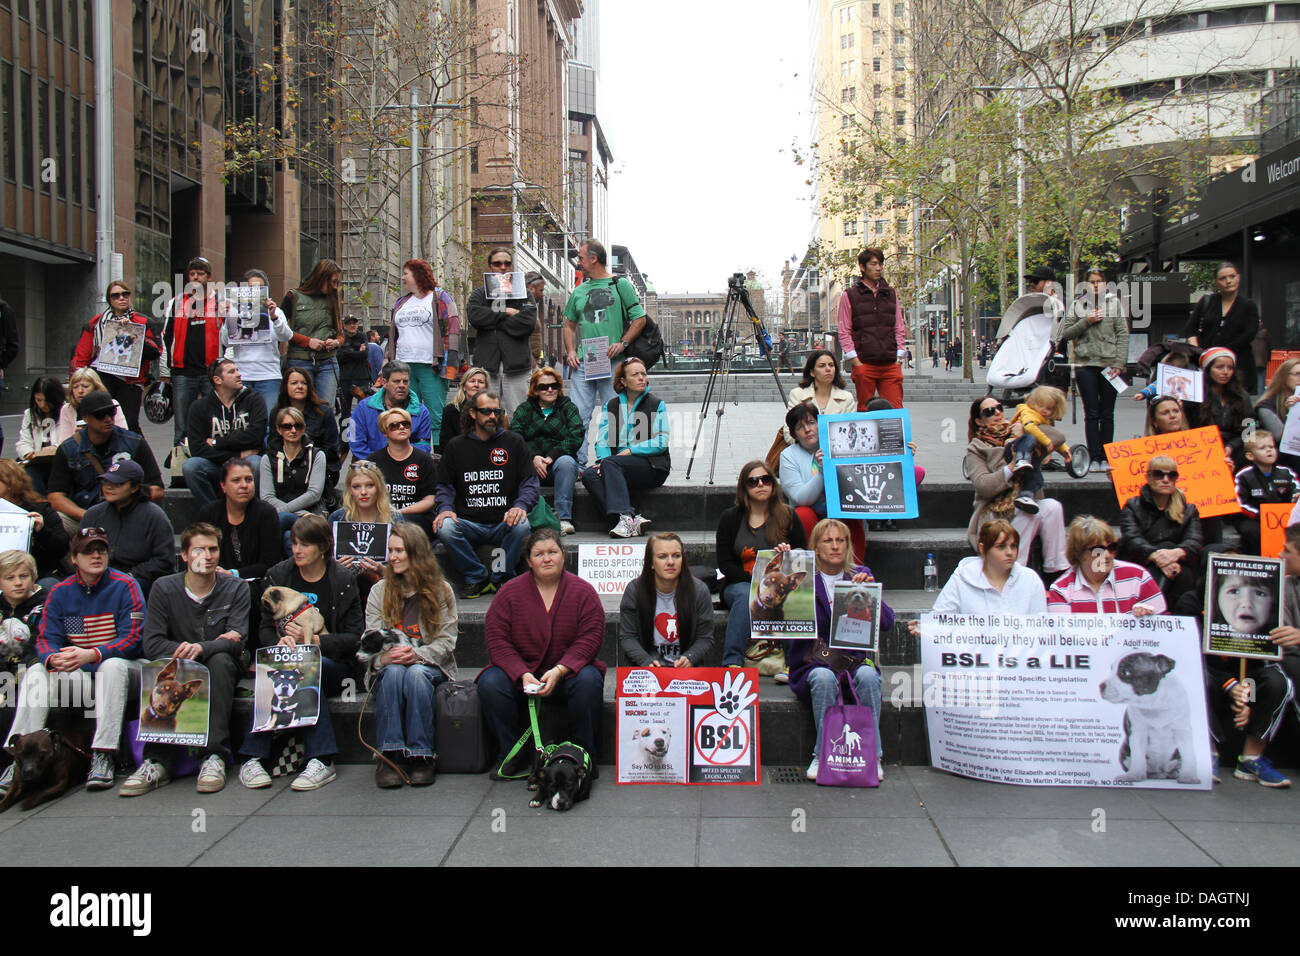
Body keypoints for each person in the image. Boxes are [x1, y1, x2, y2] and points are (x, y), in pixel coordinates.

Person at [0, 528, 142, 796]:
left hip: (126, 672)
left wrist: (93, 654)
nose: (96, 555)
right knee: (37, 671)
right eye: (88, 551)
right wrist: (52, 657)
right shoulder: (61, 592)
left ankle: (103, 753)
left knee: (112, 666)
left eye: (101, 550)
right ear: (74, 558)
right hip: (81, 678)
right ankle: (18, 756)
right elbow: (45, 639)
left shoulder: (126, 585)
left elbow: (133, 639)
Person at [118, 523, 249, 797]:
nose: (208, 555)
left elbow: (237, 641)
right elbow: (152, 643)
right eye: (199, 549)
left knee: (221, 660)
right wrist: (187, 650)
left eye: (213, 549)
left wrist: (201, 647)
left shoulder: (236, 588)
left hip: (222, 663)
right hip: (177, 662)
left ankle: (214, 756)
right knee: (164, 668)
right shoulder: (163, 588)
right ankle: (157, 760)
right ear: (185, 555)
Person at [240, 514, 360, 792]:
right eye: (294, 543)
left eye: (305, 545)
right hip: (287, 657)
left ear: (323, 547)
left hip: (334, 665)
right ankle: (253, 760)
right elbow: (263, 628)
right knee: (285, 667)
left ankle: (320, 759)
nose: (297, 550)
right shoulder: (278, 575)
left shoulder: (342, 580)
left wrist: (318, 641)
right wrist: (278, 643)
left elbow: (354, 638)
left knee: (308, 668)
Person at [479, 528, 605, 765]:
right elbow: (497, 640)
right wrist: (522, 673)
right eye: (539, 554)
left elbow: (590, 637)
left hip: (566, 675)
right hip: (524, 675)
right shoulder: (509, 592)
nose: (547, 558)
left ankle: (582, 755)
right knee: (491, 682)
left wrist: (560, 670)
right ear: (528, 560)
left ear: (563, 555)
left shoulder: (583, 591)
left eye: (552, 552)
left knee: (589, 679)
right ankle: (512, 753)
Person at [792, 518, 892, 781]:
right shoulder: (804, 581)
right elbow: (780, 621)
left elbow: (888, 623)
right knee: (823, 677)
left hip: (854, 663)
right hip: (814, 663)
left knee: (869, 677)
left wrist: (867, 592)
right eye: (828, 540)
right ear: (815, 546)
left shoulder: (860, 573)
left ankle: (873, 755)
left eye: (841, 540)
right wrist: (779, 567)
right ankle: (822, 754)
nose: (835, 546)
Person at [360, 524, 458, 787]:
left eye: (399, 551)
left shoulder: (441, 590)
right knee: (392, 672)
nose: (392, 557)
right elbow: (370, 641)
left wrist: (417, 655)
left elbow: (447, 641)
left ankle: (421, 755)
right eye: (390, 551)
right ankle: (389, 755)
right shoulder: (379, 591)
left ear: (416, 553)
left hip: (431, 665)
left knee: (415, 674)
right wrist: (384, 658)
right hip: (388, 665)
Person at [434, 390, 536, 598]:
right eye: (486, 411)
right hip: (468, 522)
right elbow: (444, 485)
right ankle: (477, 576)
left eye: (496, 411)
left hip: (504, 521)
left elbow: (530, 482)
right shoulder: (456, 446)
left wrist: (521, 505)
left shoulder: (514, 442)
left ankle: (500, 576)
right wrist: (445, 508)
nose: (492, 416)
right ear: (472, 413)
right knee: (444, 527)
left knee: (522, 525)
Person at [563, 239, 648, 468]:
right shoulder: (579, 291)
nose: (578, 262)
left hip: (614, 362)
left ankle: (611, 462)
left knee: (615, 414)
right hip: (584, 361)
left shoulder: (620, 285)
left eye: (581, 257)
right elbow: (569, 325)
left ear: (594, 258)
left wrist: (622, 343)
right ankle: (578, 464)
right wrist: (571, 351)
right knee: (578, 414)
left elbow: (639, 319)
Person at [964, 396, 1069, 577]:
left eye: (999, 408)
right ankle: (1013, 571)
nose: (997, 413)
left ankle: (1057, 570)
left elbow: (1059, 437)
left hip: (1025, 500)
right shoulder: (977, 447)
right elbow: (983, 486)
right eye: (989, 412)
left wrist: (1027, 430)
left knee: (1052, 506)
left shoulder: (1022, 436)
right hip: (994, 510)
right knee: (1027, 511)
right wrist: (1011, 466)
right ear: (979, 421)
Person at [717, 460, 807, 669]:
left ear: (773, 485)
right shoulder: (730, 518)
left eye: (766, 480)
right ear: (744, 488)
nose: (760, 485)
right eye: (753, 481)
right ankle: (732, 663)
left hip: (777, 584)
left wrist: (790, 554)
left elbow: (803, 553)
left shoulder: (788, 515)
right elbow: (725, 564)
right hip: (739, 582)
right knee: (745, 596)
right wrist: (755, 582)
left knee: (793, 602)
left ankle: (793, 664)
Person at [46, 390, 165, 536]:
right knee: (51, 522)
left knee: (155, 516)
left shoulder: (135, 442)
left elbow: (157, 489)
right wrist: (88, 516)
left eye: (111, 413)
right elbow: (55, 497)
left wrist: (130, 495)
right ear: (85, 418)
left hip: (128, 515)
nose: (108, 419)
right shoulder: (67, 449)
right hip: (84, 517)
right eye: (100, 415)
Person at [581, 357, 669, 538]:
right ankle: (629, 519)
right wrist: (603, 462)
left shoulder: (656, 404)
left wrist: (632, 450)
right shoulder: (611, 406)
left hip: (651, 466)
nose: (641, 378)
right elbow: (602, 440)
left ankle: (625, 518)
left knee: (612, 463)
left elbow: (661, 441)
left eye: (643, 374)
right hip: (616, 466)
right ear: (623, 381)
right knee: (590, 474)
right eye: (635, 374)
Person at [1057, 269, 1128, 472]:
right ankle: (1093, 456)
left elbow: (1123, 334)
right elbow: (1066, 334)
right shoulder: (1078, 305)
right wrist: (1086, 321)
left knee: (1107, 413)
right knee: (1092, 413)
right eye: (1092, 282)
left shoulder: (1114, 304)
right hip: (1085, 364)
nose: (1096, 285)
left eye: (1099, 282)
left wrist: (1119, 363)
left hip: (1109, 365)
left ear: (1106, 284)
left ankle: (1106, 456)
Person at [914, 521, 1048, 626]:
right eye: (1001, 546)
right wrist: (925, 628)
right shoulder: (962, 577)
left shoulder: (1030, 579)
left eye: (1013, 546)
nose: (1009, 552)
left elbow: (1041, 627)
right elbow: (940, 618)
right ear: (983, 549)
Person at [779, 402, 867, 561]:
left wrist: (902, 452)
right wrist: (822, 471)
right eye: (800, 427)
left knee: (851, 511)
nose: (807, 429)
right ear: (794, 434)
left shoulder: (841, 444)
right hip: (811, 516)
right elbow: (800, 498)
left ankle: (854, 572)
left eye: (811, 423)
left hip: (841, 512)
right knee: (803, 513)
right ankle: (814, 572)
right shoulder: (788, 456)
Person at [386, 258, 463, 439]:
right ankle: (406, 457)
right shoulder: (401, 302)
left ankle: (435, 457)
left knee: (434, 417)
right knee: (403, 415)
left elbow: (453, 332)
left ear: (418, 275)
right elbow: (393, 336)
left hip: (431, 367)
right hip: (402, 368)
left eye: (406, 273)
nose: (402, 278)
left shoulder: (440, 298)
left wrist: (450, 368)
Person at [70, 279, 160, 432]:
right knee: (98, 419)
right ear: (109, 300)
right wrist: (77, 379)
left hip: (130, 380)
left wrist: (131, 331)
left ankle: (136, 454)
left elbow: (155, 352)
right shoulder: (96, 323)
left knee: (129, 424)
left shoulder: (143, 321)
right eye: (115, 296)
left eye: (125, 294)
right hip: (102, 375)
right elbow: (82, 355)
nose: (121, 298)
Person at [1119, 454, 1204, 613]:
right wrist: (1158, 557)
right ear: (1149, 477)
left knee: (1181, 569)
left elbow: (1194, 540)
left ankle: (1172, 616)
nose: (1166, 479)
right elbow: (1132, 538)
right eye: (1159, 474)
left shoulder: (1189, 509)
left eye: (1171, 475)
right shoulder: (1132, 505)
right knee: (1169, 553)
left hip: (1178, 563)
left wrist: (1176, 553)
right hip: (1142, 561)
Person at [80, 460, 176, 599]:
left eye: (117, 484)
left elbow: (164, 560)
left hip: (140, 580)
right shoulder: (93, 514)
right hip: (99, 575)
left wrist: (132, 574)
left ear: (134, 487)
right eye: (106, 482)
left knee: (129, 588)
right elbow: (80, 550)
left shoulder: (154, 516)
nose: (108, 487)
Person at [618, 532, 715, 668]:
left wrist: (690, 657)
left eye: (676, 556)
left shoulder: (699, 591)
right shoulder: (634, 590)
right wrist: (645, 661)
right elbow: (627, 637)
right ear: (651, 563)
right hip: (646, 668)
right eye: (662, 557)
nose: (670, 562)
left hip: (686, 670)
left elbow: (705, 638)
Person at [183, 358, 267, 507]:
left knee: (256, 462)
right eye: (232, 372)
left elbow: (256, 435)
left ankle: (250, 513)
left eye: (238, 370)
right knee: (191, 466)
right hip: (217, 465)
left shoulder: (254, 399)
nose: (239, 375)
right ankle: (215, 514)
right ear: (217, 380)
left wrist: (217, 442)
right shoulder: (199, 407)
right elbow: (197, 448)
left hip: (246, 464)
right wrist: (237, 455)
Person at [510, 366, 583, 535]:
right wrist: (533, 457)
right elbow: (515, 437)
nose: (550, 389)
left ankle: (563, 519)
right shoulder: (524, 409)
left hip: (558, 466)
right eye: (543, 386)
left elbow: (576, 434)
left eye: (554, 385)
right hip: (530, 468)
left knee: (567, 462)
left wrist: (551, 456)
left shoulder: (567, 407)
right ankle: (531, 519)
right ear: (535, 390)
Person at [159, 256, 224, 448]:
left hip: (211, 372)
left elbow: (228, 337)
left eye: (200, 273)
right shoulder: (176, 302)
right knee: (182, 426)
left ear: (209, 276)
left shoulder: (220, 302)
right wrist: (164, 372)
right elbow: (166, 337)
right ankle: (180, 472)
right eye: (192, 273)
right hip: (182, 372)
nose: (196, 277)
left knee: (214, 422)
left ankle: (212, 462)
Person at [1046, 516, 1166, 614]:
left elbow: (1164, 623)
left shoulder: (1138, 577)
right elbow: (1062, 637)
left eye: (1112, 547)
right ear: (1079, 553)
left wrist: (1148, 617)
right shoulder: (1061, 590)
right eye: (1098, 550)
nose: (1107, 555)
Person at [468, 247, 538, 413]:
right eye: (497, 263)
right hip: (486, 368)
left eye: (507, 263)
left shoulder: (524, 295)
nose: (502, 267)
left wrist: (491, 322)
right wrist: (506, 312)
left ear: (512, 266)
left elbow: (527, 323)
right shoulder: (479, 294)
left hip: (517, 368)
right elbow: (474, 316)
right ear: (489, 267)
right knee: (485, 415)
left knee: (519, 417)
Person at [838, 247, 907, 410]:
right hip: (864, 364)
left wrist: (899, 356)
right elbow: (844, 330)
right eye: (874, 264)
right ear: (862, 267)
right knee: (865, 411)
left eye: (881, 264)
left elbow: (899, 326)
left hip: (890, 364)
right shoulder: (850, 295)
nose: (878, 268)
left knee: (895, 412)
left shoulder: (890, 293)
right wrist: (856, 361)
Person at [221, 268, 293, 422]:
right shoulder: (235, 312)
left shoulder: (276, 312)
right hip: (242, 375)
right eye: (250, 288)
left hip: (268, 375)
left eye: (258, 288)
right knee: (242, 422)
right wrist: (229, 319)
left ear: (265, 290)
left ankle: (265, 447)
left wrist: (274, 317)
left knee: (267, 421)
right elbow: (226, 341)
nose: (254, 291)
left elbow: (286, 336)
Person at [329, 459, 405, 603]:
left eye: (370, 486)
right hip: (344, 588)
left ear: (379, 487)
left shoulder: (395, 518)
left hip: (385, 588)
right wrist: (336, 567)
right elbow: (324, 562)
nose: (363, 492)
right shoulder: (338, 518)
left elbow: (408, 565)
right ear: (350, 490)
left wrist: (383, 571)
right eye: (356, 487)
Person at [1184, 261, 1259, 391]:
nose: (1228, 281)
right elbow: (1190, 330)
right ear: (1216, 282)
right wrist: (1199, 353)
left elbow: (1249, 334)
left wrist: (1221, 353)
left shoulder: (1248, 305)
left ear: (1238, 278)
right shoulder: (1207, 301)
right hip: (1207, 364)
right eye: (1223, 278)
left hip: (1239, 365)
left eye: (1232, 276)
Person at [261, 406, 327, 550]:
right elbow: (266, 497)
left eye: (298, 426)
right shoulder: (268, 458)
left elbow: (314, 494)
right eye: (287, 426)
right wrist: (298, 513)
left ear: (304, 428)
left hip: (312, 514)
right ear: (278, 429)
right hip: (295, 514)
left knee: (284, 527)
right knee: (285, 534)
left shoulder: (317, 455)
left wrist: (284, 512)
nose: (293, 430)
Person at [282, 259, 344, 408]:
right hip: (300, 361)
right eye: (333, 282)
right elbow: (280, 330)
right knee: (299, 409)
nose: (335, 286)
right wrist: (307, 341)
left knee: (325, 409)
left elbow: (341, 334)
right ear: (322, 278)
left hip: (328, 362)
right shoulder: (293, 296)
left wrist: (336, 342)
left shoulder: (333, 298)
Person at [369, 407, 438, 535]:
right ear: (385, 432)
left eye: (405, 424)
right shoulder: (374, 460)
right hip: (382, 517)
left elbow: (430, 499)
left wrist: (399, 513)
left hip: (416, 518)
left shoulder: (424, 460)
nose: (401, 427)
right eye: (394, 425)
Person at [347, 359, 432, 462]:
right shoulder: (363, 408)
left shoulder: (422, 412)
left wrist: (398, 461)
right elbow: (355, 442)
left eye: (405, 381)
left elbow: (424, 445)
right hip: (370, 467)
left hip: (408, 467)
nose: (402, 385)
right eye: (396, 381)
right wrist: (378, 464)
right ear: (384, 382)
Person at [0, 458, 69, 584]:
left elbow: (62, 548)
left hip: (36, 577)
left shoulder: (40, 510)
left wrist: (41, 531)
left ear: (11, 483)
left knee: (48, 584)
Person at [1005, 385, 1071, 512]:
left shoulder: (1043, 419)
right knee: (1030, 438)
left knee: (1037, 478)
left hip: (1032, 455)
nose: (1046, 411)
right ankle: (1021, 459)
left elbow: (1051, 436)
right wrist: (1047, 442)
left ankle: (1026, 496)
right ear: (1033, 403)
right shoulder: (1028, 412)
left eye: (1050, 409)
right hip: (1017, 447)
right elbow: (1030, 428)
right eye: (1042, 406)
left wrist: (1065, 450)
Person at [274, 368, 341, 489]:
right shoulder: (277, 413)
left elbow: (331, 450)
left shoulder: (324, 412)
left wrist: (304, 460)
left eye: (304, 383)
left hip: (318, 468)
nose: (299, 386)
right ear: (285, 386)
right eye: (294, 383)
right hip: (285, 467)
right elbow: (273, 446)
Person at [1235, 432, 1299, 555]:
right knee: (1250, 530)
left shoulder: (1286, 472)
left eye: (1272, 447)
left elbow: (1296, 491)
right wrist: (1260, 515)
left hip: (1283, 517)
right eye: (1262, 448)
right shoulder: (1243, 475)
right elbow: (1240, 504)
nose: (1269, 450)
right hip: (1255, 518)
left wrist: (1296, 496)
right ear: (1250, 456)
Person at [781, 349, 856, 444]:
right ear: (812, 372)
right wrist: (810, 447)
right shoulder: (798, 394)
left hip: (835, 453)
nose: (828, 369)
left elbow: (851, 431)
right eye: (822, 366)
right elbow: (788, 431)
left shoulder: (847, 398)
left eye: (831, 365)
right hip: (804, 452)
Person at [0, 551, 46, 675]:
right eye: (10, 578)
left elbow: (38, 646)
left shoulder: (48, 604)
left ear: (33, 576)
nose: (18, 583)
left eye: (23, 576)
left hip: (33, 671)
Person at [55, 367, 129, 442]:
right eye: (75, 387)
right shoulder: (67, 409)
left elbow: (124, 436)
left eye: (85, 386)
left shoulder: (112, 404)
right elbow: (63, 443)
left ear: (96, 388)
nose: (80, 391)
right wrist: (76, 438)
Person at [16, 376, 64, 492]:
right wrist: (28, 452)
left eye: (47, 401)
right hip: (36, 462)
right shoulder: (30, 414)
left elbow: (69, 439)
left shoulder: (66, 411)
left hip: (59, 462)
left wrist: (55, 448)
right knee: (31, 474)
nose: (43, 405)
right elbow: (23, 441)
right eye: (38, 400)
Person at [1253, 357, 1300, 473]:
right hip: (1276, 453)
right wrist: (1292, 412)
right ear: (1284, 376)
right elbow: (1283, 438)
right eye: (1297, 374)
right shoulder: (1265, 405)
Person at [439, 365, 490, 451]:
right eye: (472, 381)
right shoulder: (451, 410)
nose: (476, 385)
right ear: (464, 386)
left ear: (486, 388)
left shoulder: (492, 411)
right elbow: (445, 443)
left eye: (481, 382)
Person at [337, 313, 372, 421]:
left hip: (362, 376)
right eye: (349, 324)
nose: (352, 326)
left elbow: (365, 354)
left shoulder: (362, 336)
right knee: (345, 411)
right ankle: (344, 436)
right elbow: (339, 356)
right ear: (344, 325)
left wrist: (348, 352)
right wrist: (357, 352)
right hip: (346, 377)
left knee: (365, 408)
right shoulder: (340, 337)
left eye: (354, 323)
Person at [525, 271, 547, 369]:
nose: (543, 295)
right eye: (541, 290)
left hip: (534, 362)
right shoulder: (522, 307)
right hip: (528, 363)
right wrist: (530, 358)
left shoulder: (531, 307)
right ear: (531, 288)